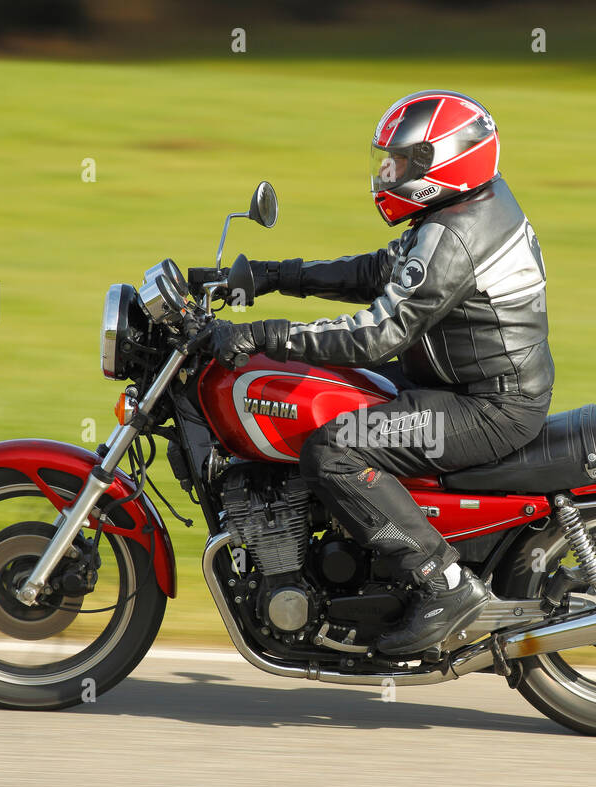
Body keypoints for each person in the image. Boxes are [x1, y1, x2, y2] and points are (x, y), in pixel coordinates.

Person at [209, 90, 554, 657]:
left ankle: (442, 584)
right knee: (335, 397)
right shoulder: (466, 209)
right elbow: (380, 271)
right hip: (460, 383)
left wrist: (268, 336)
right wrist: (274, 275)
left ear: (441, 163)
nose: (386, 173)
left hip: (485, 407)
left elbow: (377, 334)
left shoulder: (457, 235)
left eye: (401, 162)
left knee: (335, 451)